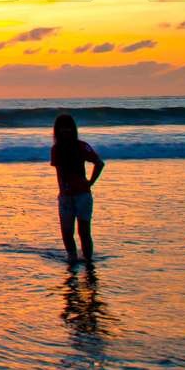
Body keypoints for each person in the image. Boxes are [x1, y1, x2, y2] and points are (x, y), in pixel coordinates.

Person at [51, 112, 105, 263]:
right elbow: (59, 173)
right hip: (66, 196)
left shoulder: (81, 146)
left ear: (73, 129)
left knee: (83, 231)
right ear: (57, 130)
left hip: (82, 195)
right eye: (62, 128)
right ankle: (73, 258)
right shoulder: (56, 149)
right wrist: (62, 192)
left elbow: (99, 163)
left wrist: (90, 182)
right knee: (67, 232)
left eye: (68, 128)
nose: (65, 131)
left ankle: (87, 262)